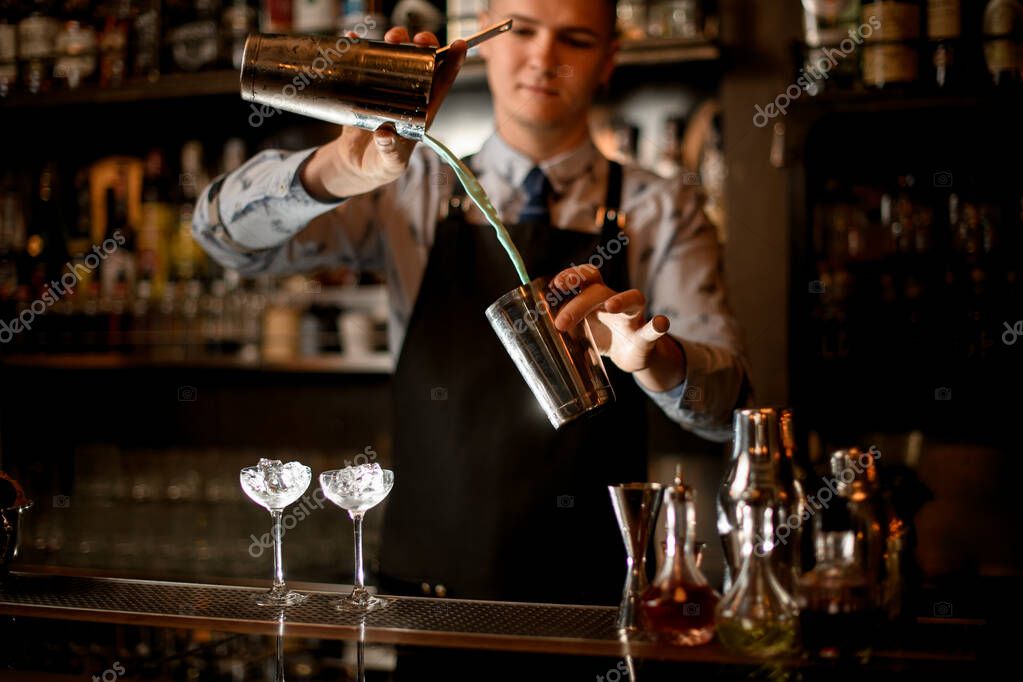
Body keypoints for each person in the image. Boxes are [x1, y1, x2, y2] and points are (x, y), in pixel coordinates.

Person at [193, 0, 751, 607]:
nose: (544, 57)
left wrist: (655, 359)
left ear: (609, 60)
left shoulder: (661, 209)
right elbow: (221, 238)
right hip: (426, 604)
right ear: (482, 39)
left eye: (576, 40)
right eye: (525, 31)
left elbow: (728, 410)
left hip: (597, 608)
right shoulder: (406, 189)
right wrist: (338, 170)